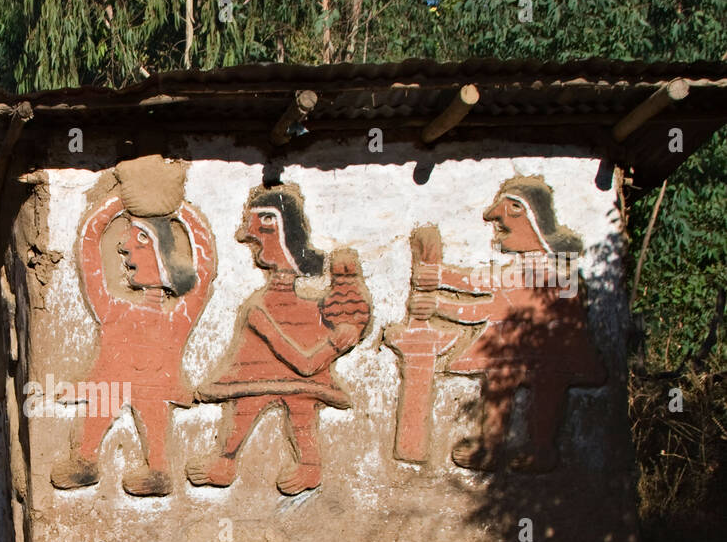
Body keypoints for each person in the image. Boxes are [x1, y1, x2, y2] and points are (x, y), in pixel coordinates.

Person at [407, 176, 606, 471]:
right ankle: (492, 446)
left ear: (534, 224)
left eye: (510, 214)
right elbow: (483, 287)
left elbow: (491, 303)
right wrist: (438, 280)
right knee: (500, 376)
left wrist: (439, 299)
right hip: (518, 347)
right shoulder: (521, 270)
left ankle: (541, 450)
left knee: (547, 382)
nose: (496, 226)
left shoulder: (557, 273)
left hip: (553, 353)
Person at [189, 185, 371, 495]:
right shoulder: (263, 306)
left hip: (296, 346)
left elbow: (308, 358)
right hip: (286, 348)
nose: (248, 240)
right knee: (251, 399)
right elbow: (305, 360)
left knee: (297, 404)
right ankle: (225, 461)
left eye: (262, 230)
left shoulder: (282, 308)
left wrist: (343, 325)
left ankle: (305, 465)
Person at [50, 183, 216, 496]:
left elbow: (203, 271)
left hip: (152, 387)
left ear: (160, 251)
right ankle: (86, 459)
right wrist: (117, 203)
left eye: (137, 238)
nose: (124, 247)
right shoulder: (115, 311)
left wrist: (178, 207)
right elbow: (89, 256)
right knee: (107, 393)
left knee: (147, 404)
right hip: (111, 384)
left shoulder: (175, 319)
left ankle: (157, 469)